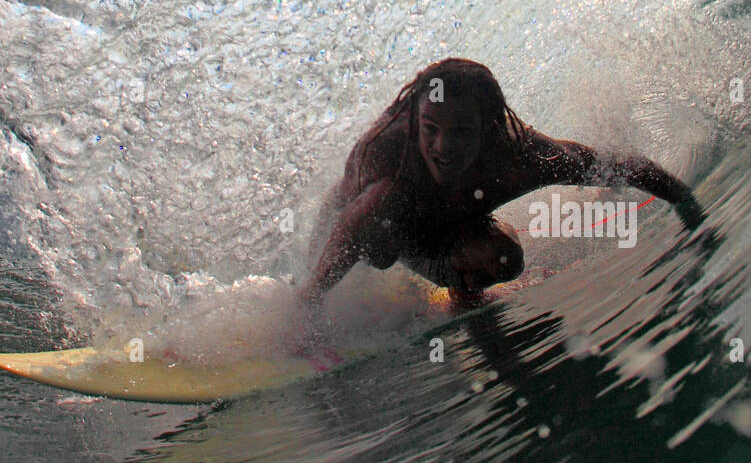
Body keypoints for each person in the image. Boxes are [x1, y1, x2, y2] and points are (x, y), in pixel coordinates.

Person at [299, 57, 706, 314]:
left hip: (459, 219)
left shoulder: (520, 155)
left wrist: (686, 203)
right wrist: (306, 311)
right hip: (385, 228)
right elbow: (344, 227)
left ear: (488, 129)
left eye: (460, 132)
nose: (441, 147)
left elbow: (610, 164)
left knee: (503, 260)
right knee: (377, 238)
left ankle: (465, 288)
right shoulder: (385, 159)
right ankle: (457, 276)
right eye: (429, 130)